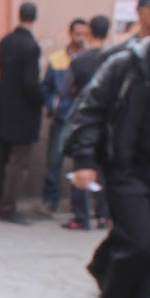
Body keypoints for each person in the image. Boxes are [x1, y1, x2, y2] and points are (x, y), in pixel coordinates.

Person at [65, 0, 150, 298]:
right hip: (125, 167)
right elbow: (90, 109)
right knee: (136, 240)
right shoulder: (126, 63)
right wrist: (85, 160)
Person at [0, 1, 43, 224]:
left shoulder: (6, 41)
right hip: (22, 113)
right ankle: (8, 206)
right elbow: (30, 83)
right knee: (17, 163)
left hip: (3, 109)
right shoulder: (31, 47)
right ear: (35, 18)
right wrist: (42, 100)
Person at [64, 13, 112, 231]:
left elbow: (67, 89)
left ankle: (81, 216)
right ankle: (104, 216)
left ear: (90, 31)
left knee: (82, 166)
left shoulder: (80, 61)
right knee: (102, 169)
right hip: (108, 123)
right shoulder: (114, 59)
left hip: (84, 121)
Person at [41, 16, 89, 211]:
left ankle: (82, 208)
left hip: (82, 120)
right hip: (61, 117)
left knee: (83, 163)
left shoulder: (89, 59)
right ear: (70, 34)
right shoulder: (57, 59)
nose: (80, 38)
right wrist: (52, 104)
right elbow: (46, 87)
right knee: (54, 161)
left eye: (83, 34)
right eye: (77, 34)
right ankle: (50, 200)